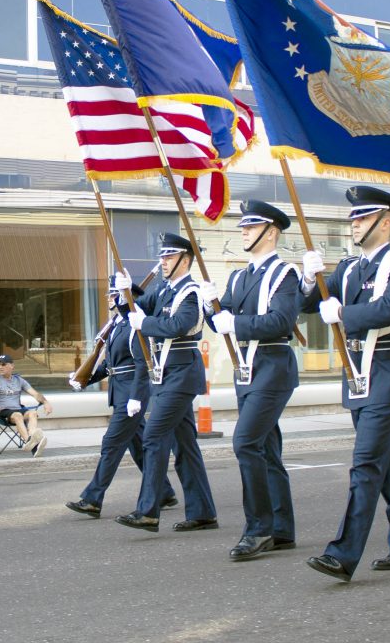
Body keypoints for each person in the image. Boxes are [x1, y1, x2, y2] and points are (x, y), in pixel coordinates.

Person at [299, 186, 390, 583]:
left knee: (366, 466)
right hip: (357, 377)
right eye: (353, 218)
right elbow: (307, 307)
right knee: (389, 465)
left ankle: (343, 553)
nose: (354, 224)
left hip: (388, 375)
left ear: (385, 222)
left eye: (362, 218)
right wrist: (308, 280)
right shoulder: (350, 269)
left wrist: (343, 313)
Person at [201, 200, 300, 561]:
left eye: (251, 226)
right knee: (266, 448)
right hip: (247, 368)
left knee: (245, 443)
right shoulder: (240, 276)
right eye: (242, 226)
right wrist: (210, 307)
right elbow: (220, 320)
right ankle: (282, 530)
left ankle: (258, 529)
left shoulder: (284, 274)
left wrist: (234, 323)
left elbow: (281, 322)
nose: (243, 231)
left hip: (273, 366)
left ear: (271, 232)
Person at [114, 232, 218, 533]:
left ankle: (148, 510)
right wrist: (126, 294)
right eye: (162, 256)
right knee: (185, 446)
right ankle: (203, 513)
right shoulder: (164, 289)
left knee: (154, 436)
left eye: (169, 256)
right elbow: (136, 309)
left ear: (185, 260)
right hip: (166, 375)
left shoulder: (192, 291)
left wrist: (143, 323)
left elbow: (179, 325)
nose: (163, 261)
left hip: (182, 374)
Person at [64, 276, 178, 518]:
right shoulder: (117, 325)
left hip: (130, 396)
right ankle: (165, 492)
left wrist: (137, 397)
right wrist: (84, 379)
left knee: (111, 444)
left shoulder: (134, 326)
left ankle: (93, 498)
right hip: (121, 392)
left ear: (126, 297)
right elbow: (109, 365)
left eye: (113, 294)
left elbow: (141, 365)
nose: (108, 297)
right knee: (137, 447)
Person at [0, 354, 53, 457]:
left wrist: (46, 402)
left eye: (3, 364)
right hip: (2, 412)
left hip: (17, 409)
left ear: (12, 366)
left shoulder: (19, 380)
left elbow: (35, 394)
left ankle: (32, 438)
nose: (0, 367)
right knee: (18, 415)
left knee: (33, 413)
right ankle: (30, 443)